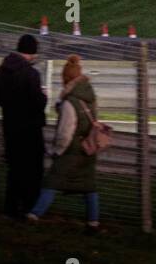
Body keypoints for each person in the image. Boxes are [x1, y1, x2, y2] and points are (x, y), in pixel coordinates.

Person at [27, 55, 103, 233]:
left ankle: (34, 214)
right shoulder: (90, 97)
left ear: (66, 79)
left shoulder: (71, 102)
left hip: (71, 150)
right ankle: (93, 221)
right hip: (87, 149)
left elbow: (65, 132)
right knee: (89, 185)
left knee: (52, 181)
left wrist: (57, 150)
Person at [0, 34, 47, 221]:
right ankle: (29, 208)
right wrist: (43, 95)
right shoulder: (31, 74)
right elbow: (37, 103)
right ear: (32, 53)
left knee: (14, 169)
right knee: (33, 170)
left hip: (10, 126)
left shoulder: (2, 70)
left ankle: (10, 209)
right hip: (30, 129)